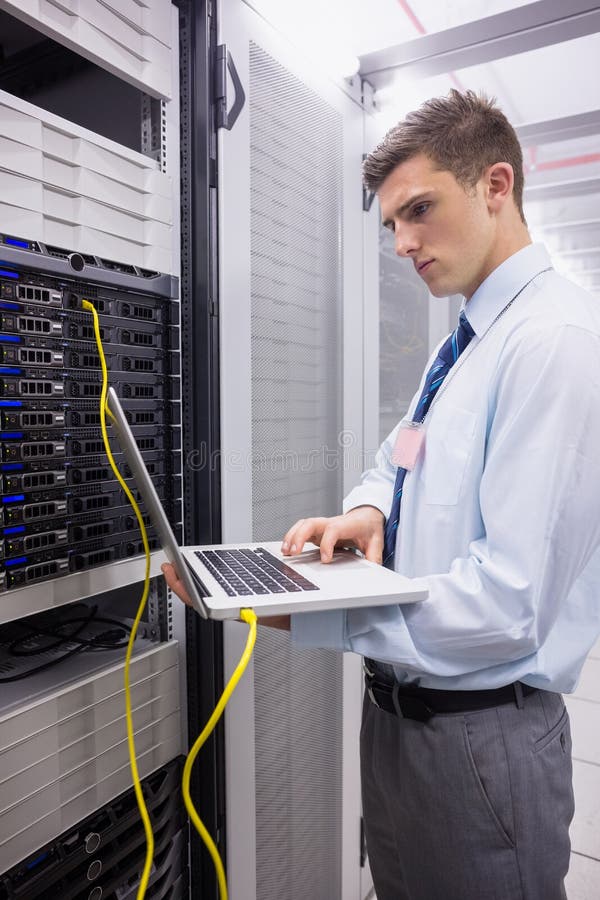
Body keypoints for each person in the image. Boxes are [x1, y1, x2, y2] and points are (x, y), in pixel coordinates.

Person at [163, 89, 600, 900]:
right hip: (403, 724)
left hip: (483, 742)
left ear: (495, 186)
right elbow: (401, 454)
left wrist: (293, 605)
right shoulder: (467, 343)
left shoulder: (552, 344)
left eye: (419, 211)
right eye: (391, 223)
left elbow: (509, 603)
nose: (402, 242)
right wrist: (370, 511)